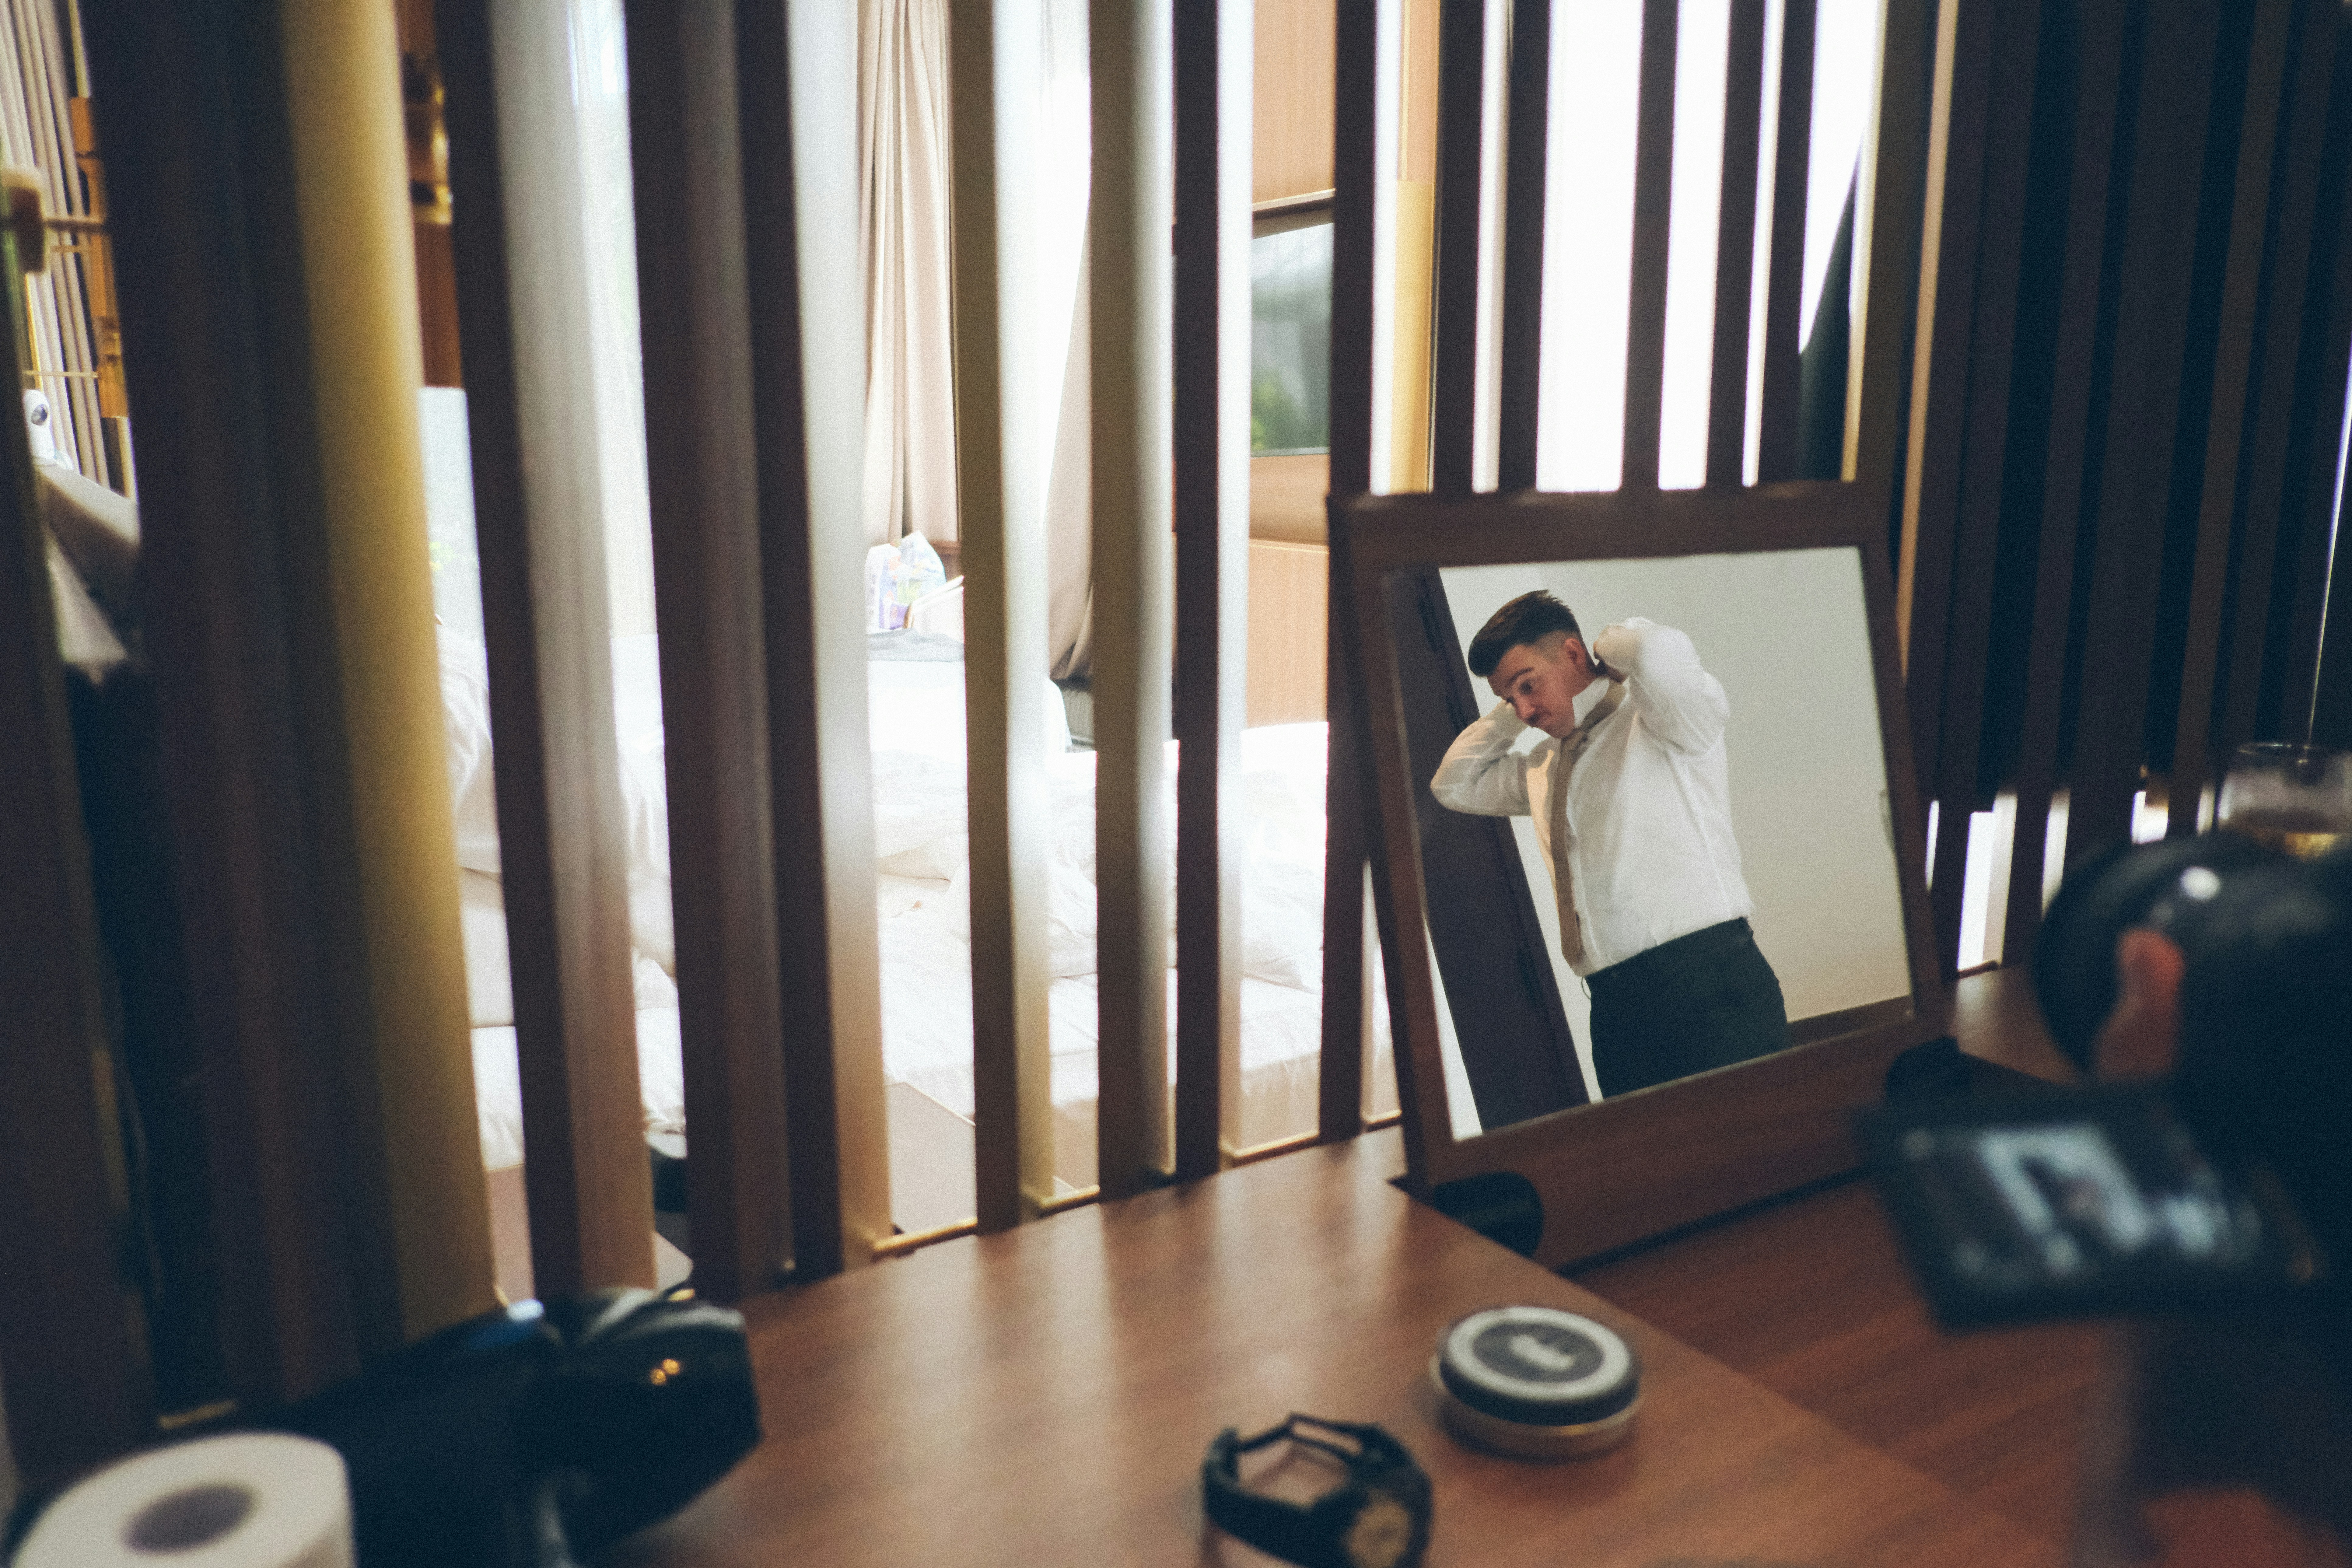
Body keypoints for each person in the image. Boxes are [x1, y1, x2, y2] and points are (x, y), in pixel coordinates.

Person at [1429, 590, 1789, 1096]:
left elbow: (1655, 652)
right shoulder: (1543, 768)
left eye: (1529, 686)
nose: (1526, 709)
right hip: (1616, 1011)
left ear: (1574, 654)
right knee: (1650, 1171)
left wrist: (1606, 649)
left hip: (1710, 989)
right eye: (1512, 698)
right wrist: (1511, 709)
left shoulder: (1663, 723)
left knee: (1757, 1156)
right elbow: (1453, 785)